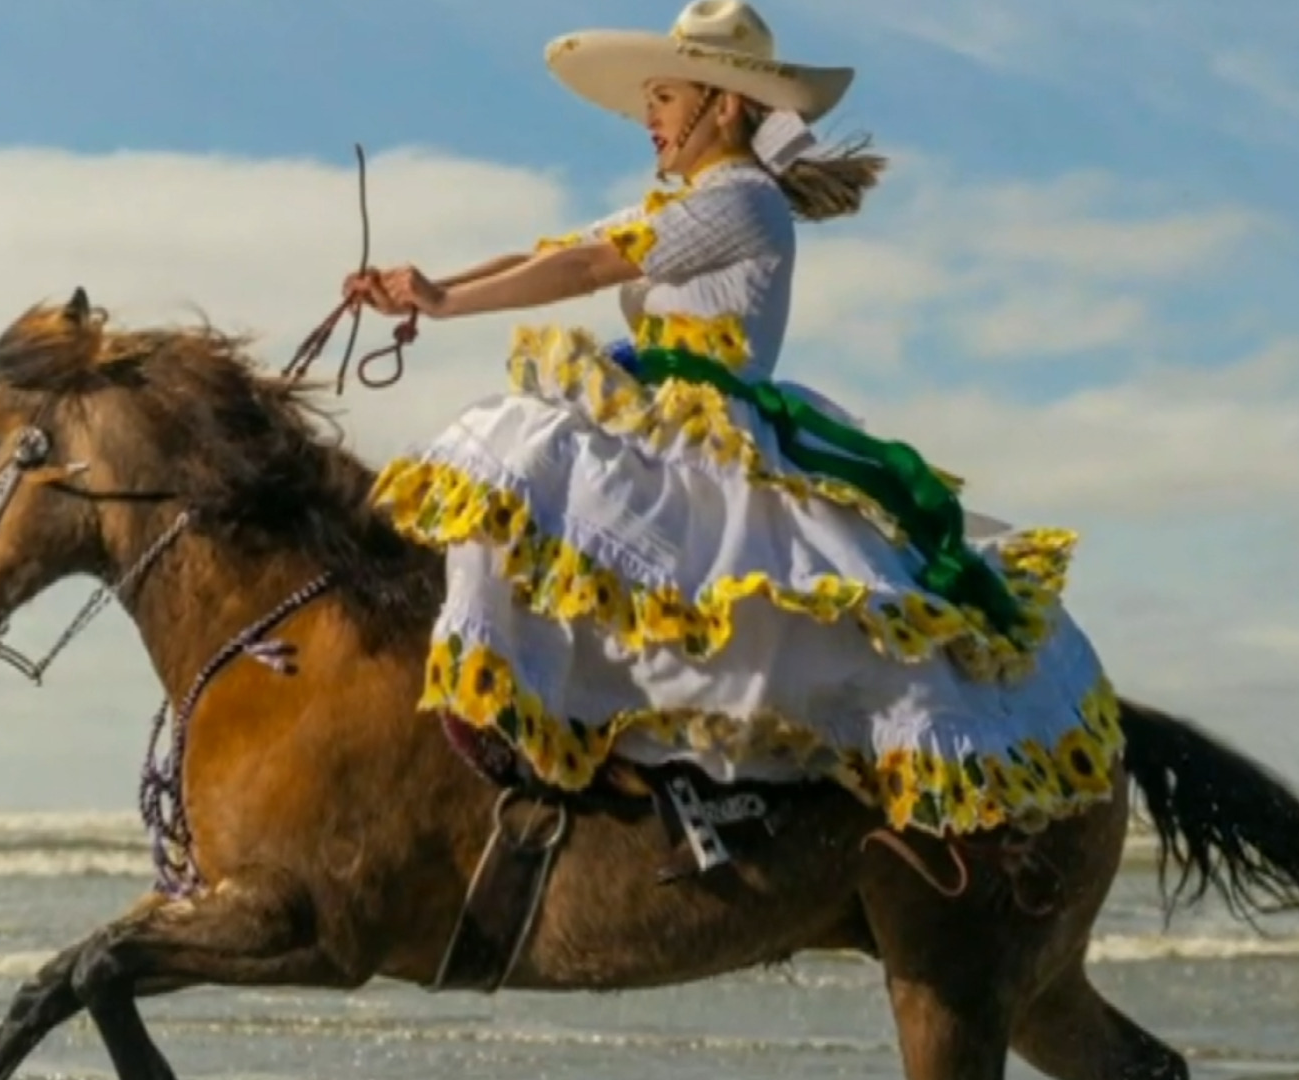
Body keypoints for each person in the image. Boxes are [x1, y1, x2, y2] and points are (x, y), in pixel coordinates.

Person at [352, 1, 1123, 844]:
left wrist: (445, 302)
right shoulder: (687, 200)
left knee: (528, 459)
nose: (649, 118)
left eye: (665, 98)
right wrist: (425, 287)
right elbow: (553, 252)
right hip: (661, 415)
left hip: (709, 430)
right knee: (546, 497)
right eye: (650, 101)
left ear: (722, 105)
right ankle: (539, 707)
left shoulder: (745, 201)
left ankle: (572, 726)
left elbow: (584, 269)